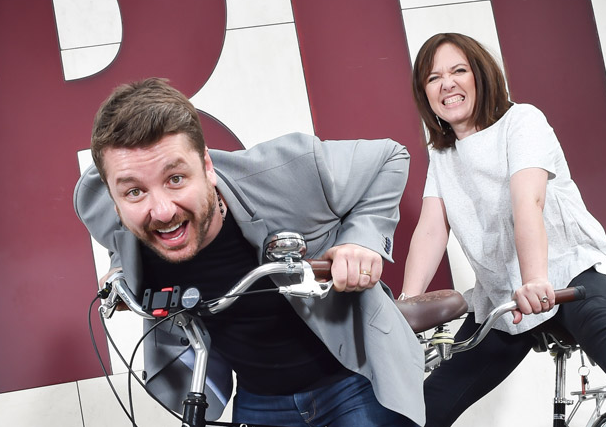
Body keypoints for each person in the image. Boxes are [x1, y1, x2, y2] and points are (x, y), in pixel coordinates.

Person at [74, 78, 424, 426]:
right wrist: (120, 269)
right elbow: (125, 236)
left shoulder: (292, 170)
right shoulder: (99, 204)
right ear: (113, 198)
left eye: (176, 179)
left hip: (351, 380)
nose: (163, 211)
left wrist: (360, 240)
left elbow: (390, 157)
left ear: (207, 167)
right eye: (135, 192)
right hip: (260, 398)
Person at [400, 32, 606, 426]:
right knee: (423, 411)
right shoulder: (442, 153)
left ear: (481, 76)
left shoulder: (523, 121)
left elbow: (526, 202)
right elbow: (432, 228)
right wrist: (407, 303)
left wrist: (534, 279)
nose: (446, 83)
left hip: (569, 277)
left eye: (458, 70)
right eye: (433, 77)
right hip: (503, 299)